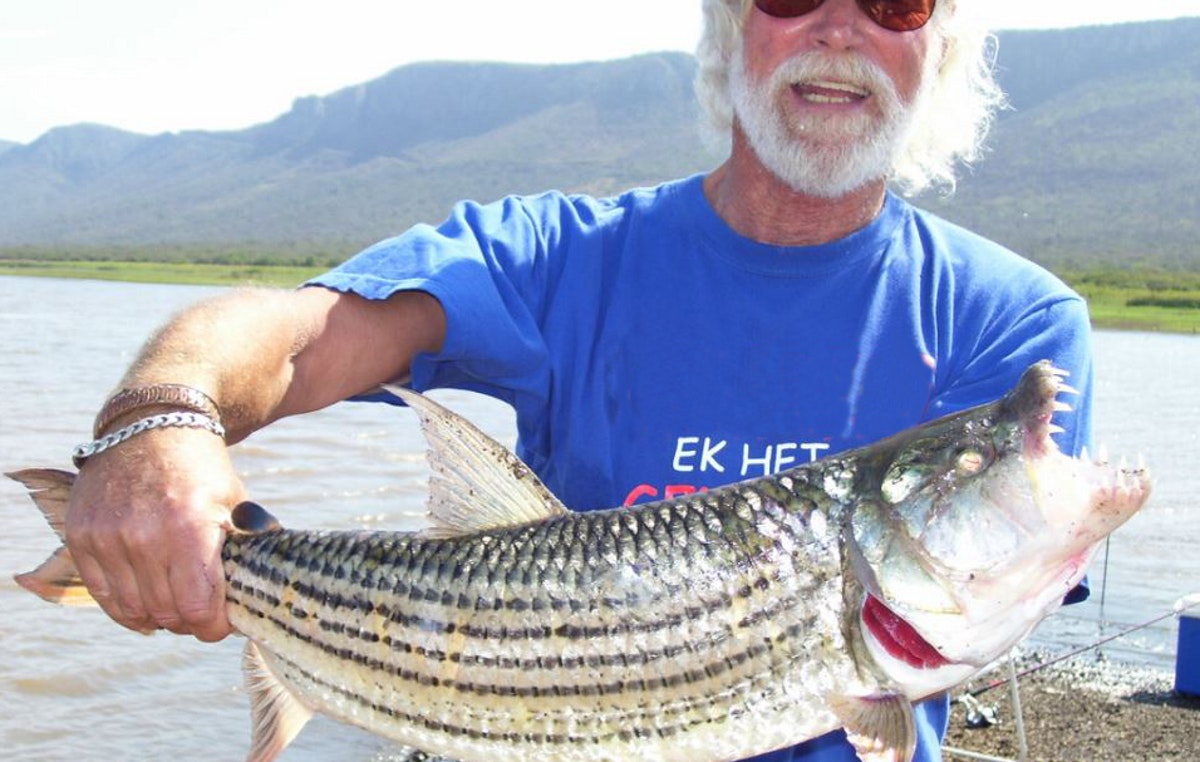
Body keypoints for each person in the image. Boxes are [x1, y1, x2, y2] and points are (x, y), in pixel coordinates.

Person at [63, 1, 1093, 760]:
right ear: (731, 30)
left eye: (895, 4)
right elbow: (296, 336)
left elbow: (975, 594)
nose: (838, 31)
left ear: (939, 49)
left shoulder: (1015, 326)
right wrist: (159, 420)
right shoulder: (556, 254)